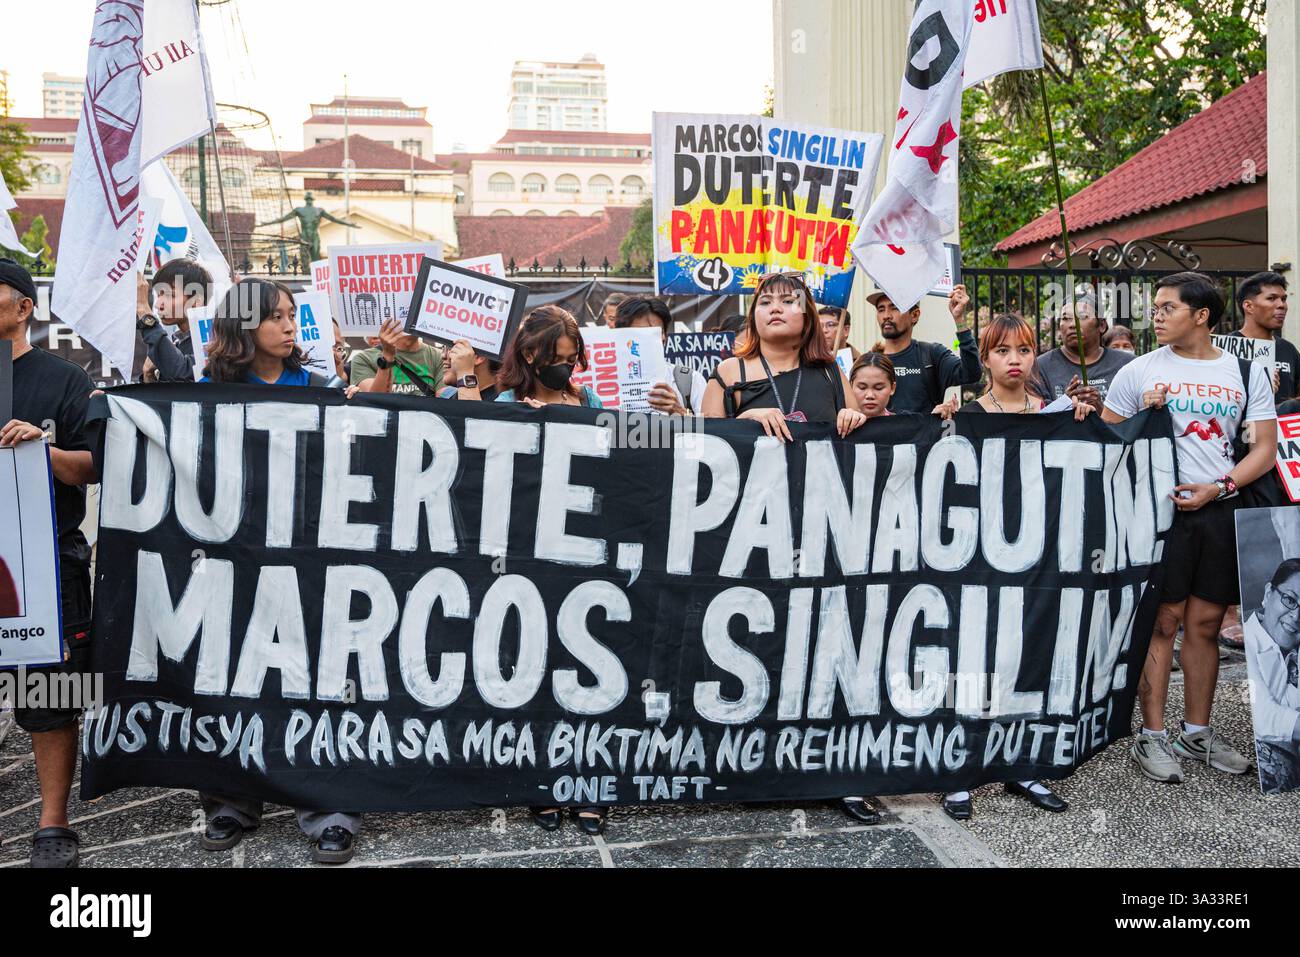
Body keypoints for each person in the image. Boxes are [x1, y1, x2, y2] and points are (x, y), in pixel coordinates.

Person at [196, 278, 361, 864]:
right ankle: (232, 800)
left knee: (318, 676)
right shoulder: (206, 392)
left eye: (292, 316)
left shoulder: (321, 387)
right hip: (236, 560)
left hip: (314, 559)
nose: (290, 326)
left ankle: (331, 807)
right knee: (236, 674)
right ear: (244, 328)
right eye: (276, 317)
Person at [1102, 272, 1278, 784]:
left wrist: (1218, 488)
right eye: (1155, 307)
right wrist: (1146, 415)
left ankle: (1195, 732)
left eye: (1167, 307)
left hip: (1220, 508)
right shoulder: (1138, 371)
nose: (1155, 315)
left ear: (1201, 316)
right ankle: (1152, 736)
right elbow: (1106, 442)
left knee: (1204, 624)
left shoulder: (1243, 372)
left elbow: (1264, 450)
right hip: (1159, 515)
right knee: (1163, 622)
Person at [930, 313, 1090, 820]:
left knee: (1027, 658)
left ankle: (1024, 765)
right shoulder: (966, 412)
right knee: (972, 661)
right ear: (987, 355)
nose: (1014, 360)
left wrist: (1101, 420)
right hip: (977, 558)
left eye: (1023, 349)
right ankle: (961, 771)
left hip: (1038, 558)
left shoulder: (1057, 411)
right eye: (1002, 351)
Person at [0, 258, 97, 867]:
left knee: (51, 694)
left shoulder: (65, 379)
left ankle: (53, 824)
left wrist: (45, 449)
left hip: (46, 564)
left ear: (23, 307)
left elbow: (94, 466)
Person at [493, 306, 604, 834]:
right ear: (531, 355)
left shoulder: (589, 400)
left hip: (584, 548)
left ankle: (588, 777)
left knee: (587, 663)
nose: (567, 369)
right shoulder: (505, 402)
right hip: (524, 554)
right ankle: (541, 779)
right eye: (558, 359)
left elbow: (622, 451)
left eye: (572, 359)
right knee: (532, 664)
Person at [703, 272, 868, 440]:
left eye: (788, 301)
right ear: (753, 317)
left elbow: (860, 441)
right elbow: (708, 443)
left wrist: (852, 418)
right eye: (765, 302)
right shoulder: (728, 373)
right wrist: (747, 419)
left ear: (807, 315)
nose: (775, 308)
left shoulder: (830, 371)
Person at [872, 285, 980, 414]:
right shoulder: (870, 361)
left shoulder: (932, 354)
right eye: (881, 309)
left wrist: (959, 320)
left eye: (895, 308)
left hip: (927, 434)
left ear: (915, 315)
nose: (886, 316)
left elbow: (972, 373)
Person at [1244, 558, 1300, 793]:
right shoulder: (1248, 644)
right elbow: (1260, 715)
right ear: (1268, 594)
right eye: (1290, 600)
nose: (1296, 617)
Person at [1033, 295, 1134, 410]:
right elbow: (1039, 422)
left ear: (1101, 325)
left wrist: (1101, 410)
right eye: (1065, 318)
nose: (1072, 324)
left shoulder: (1127, 364)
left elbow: (1134, 419)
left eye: (1082, 317)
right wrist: (1064, 404)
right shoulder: (1040, 367)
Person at [610, 296, 706, 415]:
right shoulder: (604, 383)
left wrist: (680, 412)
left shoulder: (691, 381)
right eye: (644, 332)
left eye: (658, 332)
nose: (658, 338)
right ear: (621, 335)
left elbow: (708, 430)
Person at [495, 305, 603, 410]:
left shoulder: (590, 401)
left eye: (571, 359)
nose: (563, 370)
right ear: (528, 355)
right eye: (554, 359)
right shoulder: (507, 405)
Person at [1232, 271, 1295, 401]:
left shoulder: (1288, 349)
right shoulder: (1227, 348)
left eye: (1283, 299)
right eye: (1271, 298)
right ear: (1248, 306)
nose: (1281, 305)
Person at [147, 258, 214, 379]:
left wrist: (144, 312)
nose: (158, 305)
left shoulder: (214, 341)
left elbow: (183, 373)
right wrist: (149, 375)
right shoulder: (176, 342)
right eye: (159, 295)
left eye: (169, 295)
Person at [352, 317, 445, 397]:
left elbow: (444, 401)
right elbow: (374, 401)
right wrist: (388, 356)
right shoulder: (363, 358)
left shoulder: (440, 357)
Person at [438, 339, 502, 402]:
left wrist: (465, 373)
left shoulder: (503, 406)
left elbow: (469, 411)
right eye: (443, 348)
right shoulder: (447, 399)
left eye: (451, 347)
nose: (443, 355)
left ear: (478, 357)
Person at [848, 352, 896, 419]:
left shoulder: (904, 426)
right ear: (851, 386)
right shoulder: (840, 425)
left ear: (892, 388)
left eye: (878, 388)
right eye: (862, 388)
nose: (870, 396)